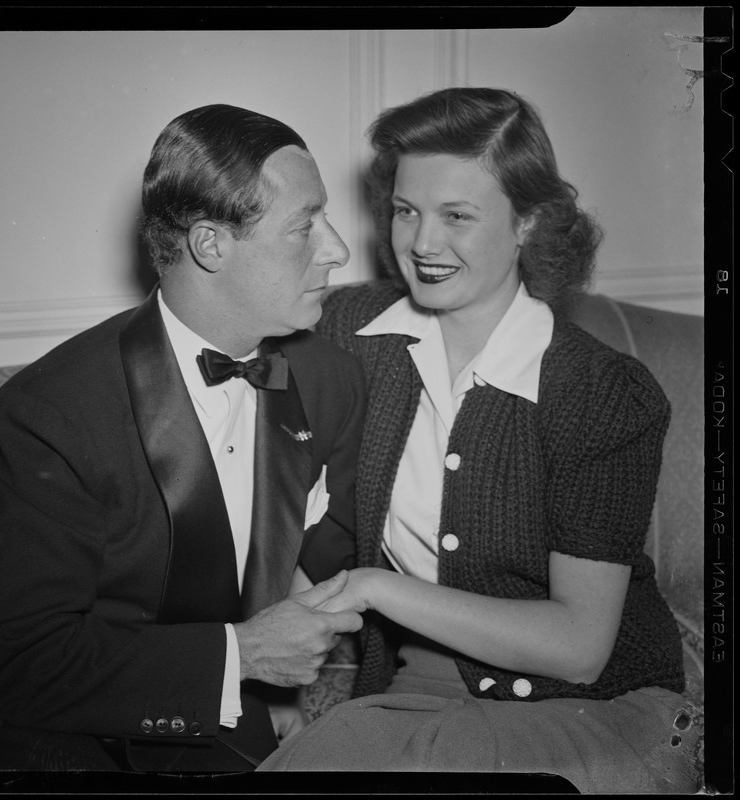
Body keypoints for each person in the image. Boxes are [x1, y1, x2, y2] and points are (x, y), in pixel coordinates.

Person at [257, 87, 700, 793]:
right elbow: (300, 500)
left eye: (456, 216)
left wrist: (375, 588)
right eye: (406, 210)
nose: (422, 244)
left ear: (528, 221)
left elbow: (581, 648)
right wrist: (270, 676)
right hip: (418, 700)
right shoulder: (351, 332)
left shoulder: (602, 392)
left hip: (600, 714)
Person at [0, 104, 367, 774]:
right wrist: (246, 655)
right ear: (211, 245)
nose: (338, 250)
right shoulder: (46, 416)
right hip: (35, 728)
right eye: (305, 227)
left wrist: (275, 668)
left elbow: (333, 531)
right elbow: (22, 668)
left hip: (213, 724)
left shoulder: (332, 381)